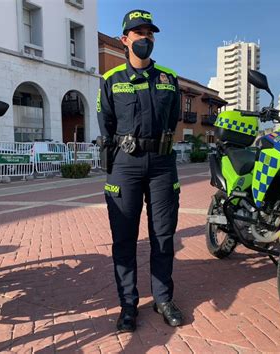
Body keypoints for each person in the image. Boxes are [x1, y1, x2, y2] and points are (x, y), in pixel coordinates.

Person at [96, 9, 183, 332]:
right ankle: (128, 305)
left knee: (163, 236)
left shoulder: (169, 80)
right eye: (139, 32)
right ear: (124, 39)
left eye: (149, 33)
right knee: (124, 239)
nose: (145, 38)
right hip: (125, 165)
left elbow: (172, 120)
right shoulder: (111, 80)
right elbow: (105, 124)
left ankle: (163, 299)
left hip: (161, 164)